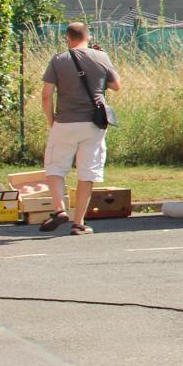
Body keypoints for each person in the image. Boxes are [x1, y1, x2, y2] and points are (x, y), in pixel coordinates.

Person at [39, 21, 121, 235]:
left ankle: (59, 210)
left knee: (55, 168)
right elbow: (116, 86)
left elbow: (46, 94)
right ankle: (79, 223)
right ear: (89, 37)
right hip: (94, 123)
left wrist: (51, 120)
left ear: (68, 38)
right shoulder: (101, 57)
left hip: (65, 121)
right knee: (87, 172)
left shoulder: (59, 59)